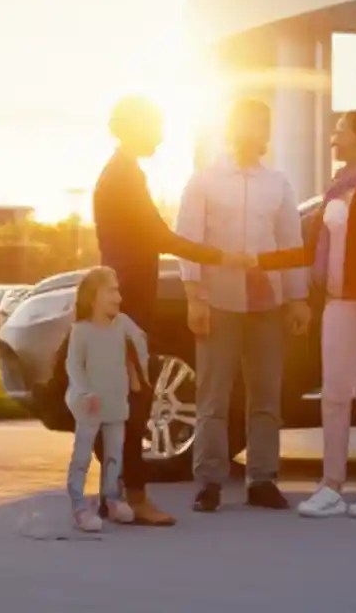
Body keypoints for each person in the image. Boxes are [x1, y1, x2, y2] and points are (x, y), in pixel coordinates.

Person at [93, 95, 251, 526]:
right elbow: (160, 236)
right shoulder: (124, 176)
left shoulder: (120, 172)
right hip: (126, 301)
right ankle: (135, 497)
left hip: (119, 298)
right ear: (135, 128)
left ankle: (114, 496)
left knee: (121, 400)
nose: (161, 136)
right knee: (133, 400)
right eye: (155, 127)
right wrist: (221, 256)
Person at [257, 109, 356, 519]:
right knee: (335, 396)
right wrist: (257, 261)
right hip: (336, 302)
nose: (333, 138)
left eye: (340, 131)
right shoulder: (338, 187)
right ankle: (333, 486)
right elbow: (311, 249)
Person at [176, 98, 311, 513]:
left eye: (261, 124)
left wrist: (298, 298)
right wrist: (194, 297)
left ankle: (262, 480)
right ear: (233, 128)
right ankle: (209, 483)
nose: (255, 131)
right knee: (213, 397)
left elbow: (291, 244)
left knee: (266, 396)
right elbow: (189, 242)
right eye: (248, 123)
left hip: (267, 304)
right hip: (218, 302)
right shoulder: (204, 181)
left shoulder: (279, 184)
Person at [64, 267, 146, 533]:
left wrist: (138, 370)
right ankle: (79, 505)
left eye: (118, 291)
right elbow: (74, 366)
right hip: (90, 404)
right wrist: (84, 392)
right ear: (93, 297)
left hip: (115, 400)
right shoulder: (81, 331)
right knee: (83, 455)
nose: (118, 298)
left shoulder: (122, 324)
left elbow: (140, 340)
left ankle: (111, 498)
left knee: (114, 454)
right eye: (111, 291)